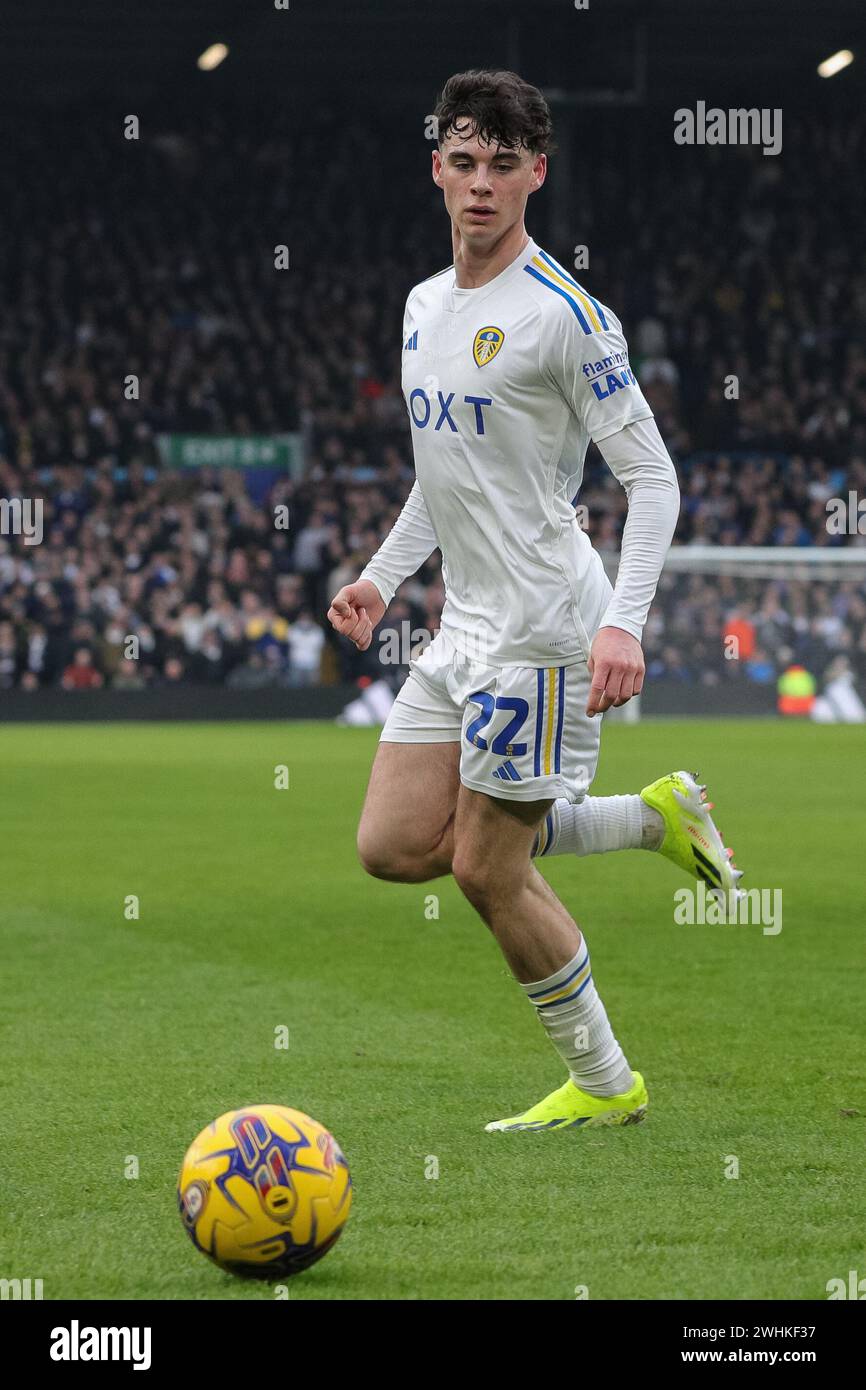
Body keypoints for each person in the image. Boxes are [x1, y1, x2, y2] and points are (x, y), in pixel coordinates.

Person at [328, 69, 742, 1133]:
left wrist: (623, 623)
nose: (479, 185)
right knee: (388, 846)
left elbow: (651, 479)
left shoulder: (567, 316)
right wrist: (380, 576)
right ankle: (648, 820)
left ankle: (605, 1084)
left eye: (502, 166)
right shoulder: (425, 305)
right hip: (461, 625)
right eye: (462, 161)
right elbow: (441, 472)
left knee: (480, 867)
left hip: (548, 629)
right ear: (436, 166)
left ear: (534, 175)